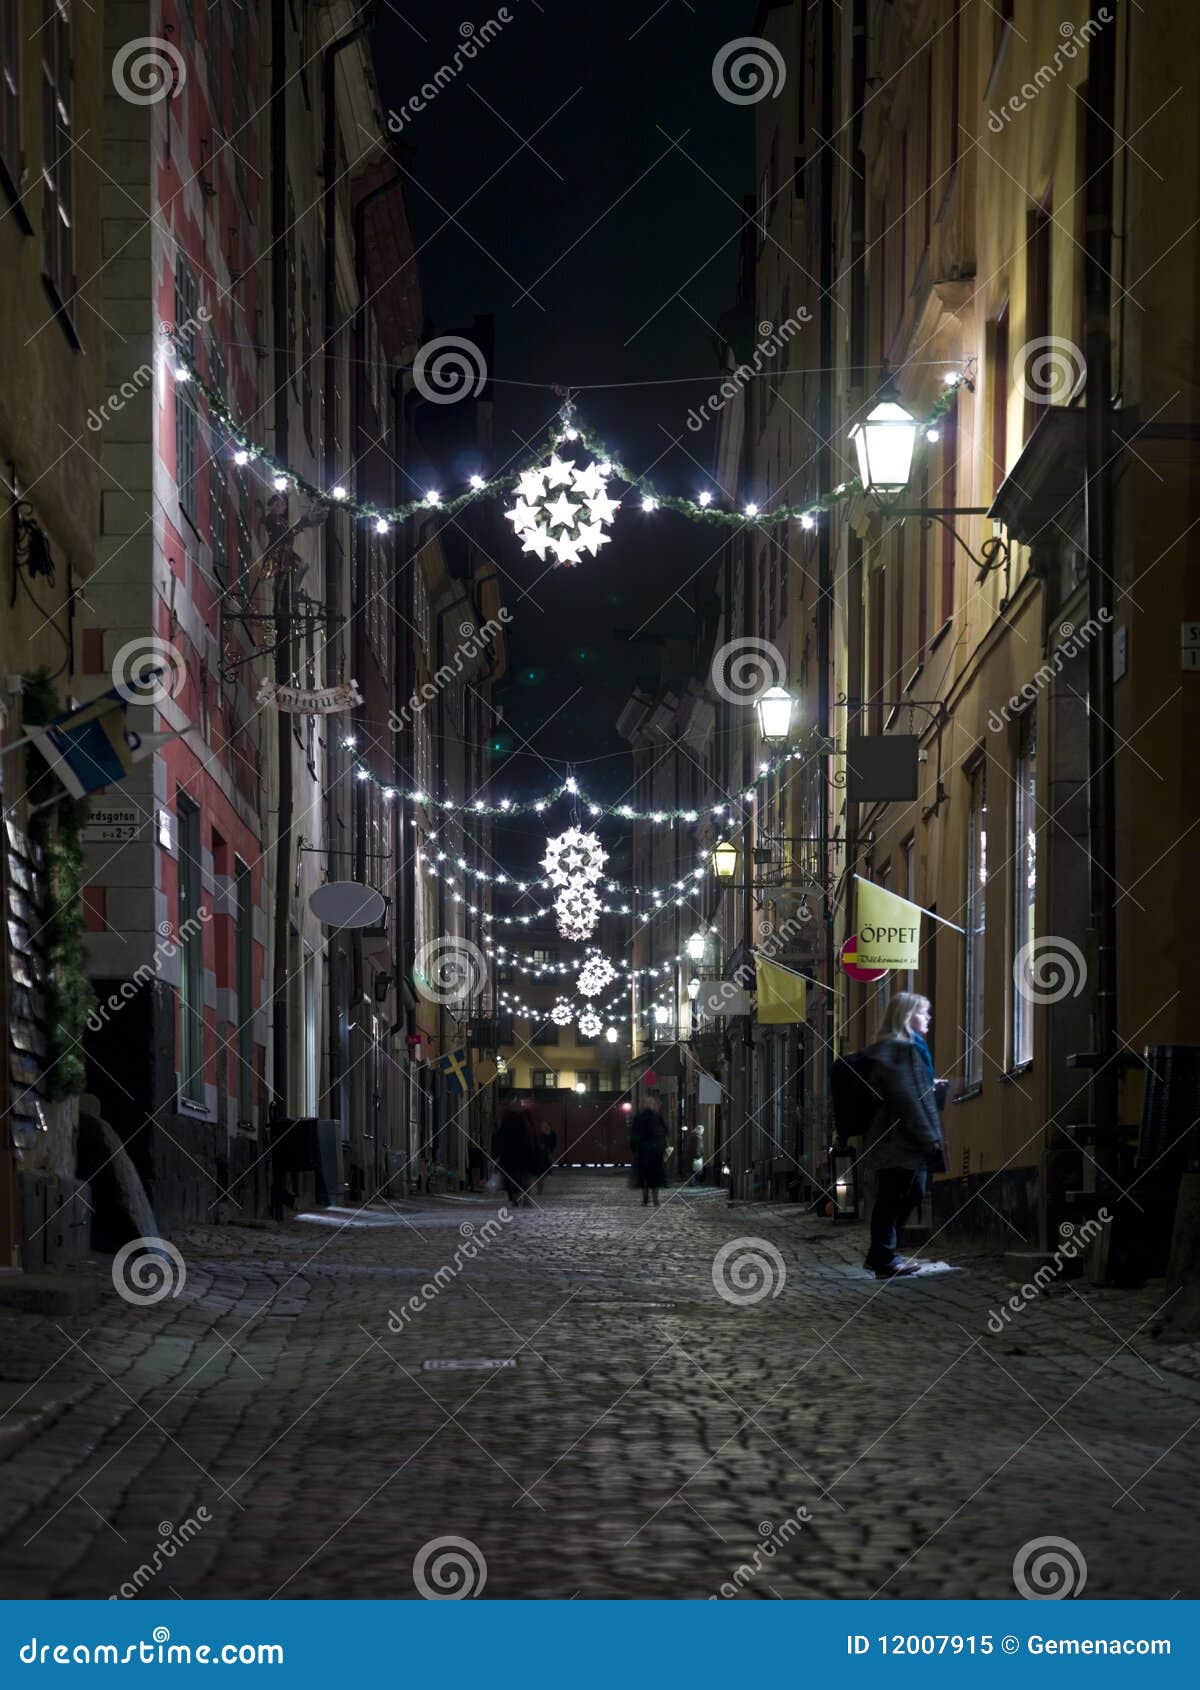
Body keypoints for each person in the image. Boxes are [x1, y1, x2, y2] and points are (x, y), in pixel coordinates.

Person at [861, 992, 948, 1279]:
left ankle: (882, 1255)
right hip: (899, 1139)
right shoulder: (902, 1048)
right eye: (923, 1012)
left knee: (906, 1193)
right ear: (907, 1016)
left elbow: (908, 1089)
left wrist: (929, 1083)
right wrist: (928, 1136)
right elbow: (907, 1097)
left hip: (899, 1138)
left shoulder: (899, 1048)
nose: (928, 1018)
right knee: (898, 1195)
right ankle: (883, 1257)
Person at [492, 1104, 540, 1208]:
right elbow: (533, 1141)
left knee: (512, 1178)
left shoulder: (506, 1124)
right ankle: (523, 1197)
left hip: (510, 1158)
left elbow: (499, 1140)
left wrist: (496, 1154)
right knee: (523, 1178)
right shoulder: (526, 1124)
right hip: (523, 1157)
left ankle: (515, 1197)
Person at [630, 1104, 668, 1206]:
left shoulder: (639, 1119)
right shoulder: (658, 1119)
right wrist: (662, 1148)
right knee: (655, 1178)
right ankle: (655, 1199)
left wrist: (634, 1151)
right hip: (655, 1155)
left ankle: (645, 1199)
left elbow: (633, 1137)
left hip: (642, 1154)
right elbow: (665, 1133)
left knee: (644, 1178)